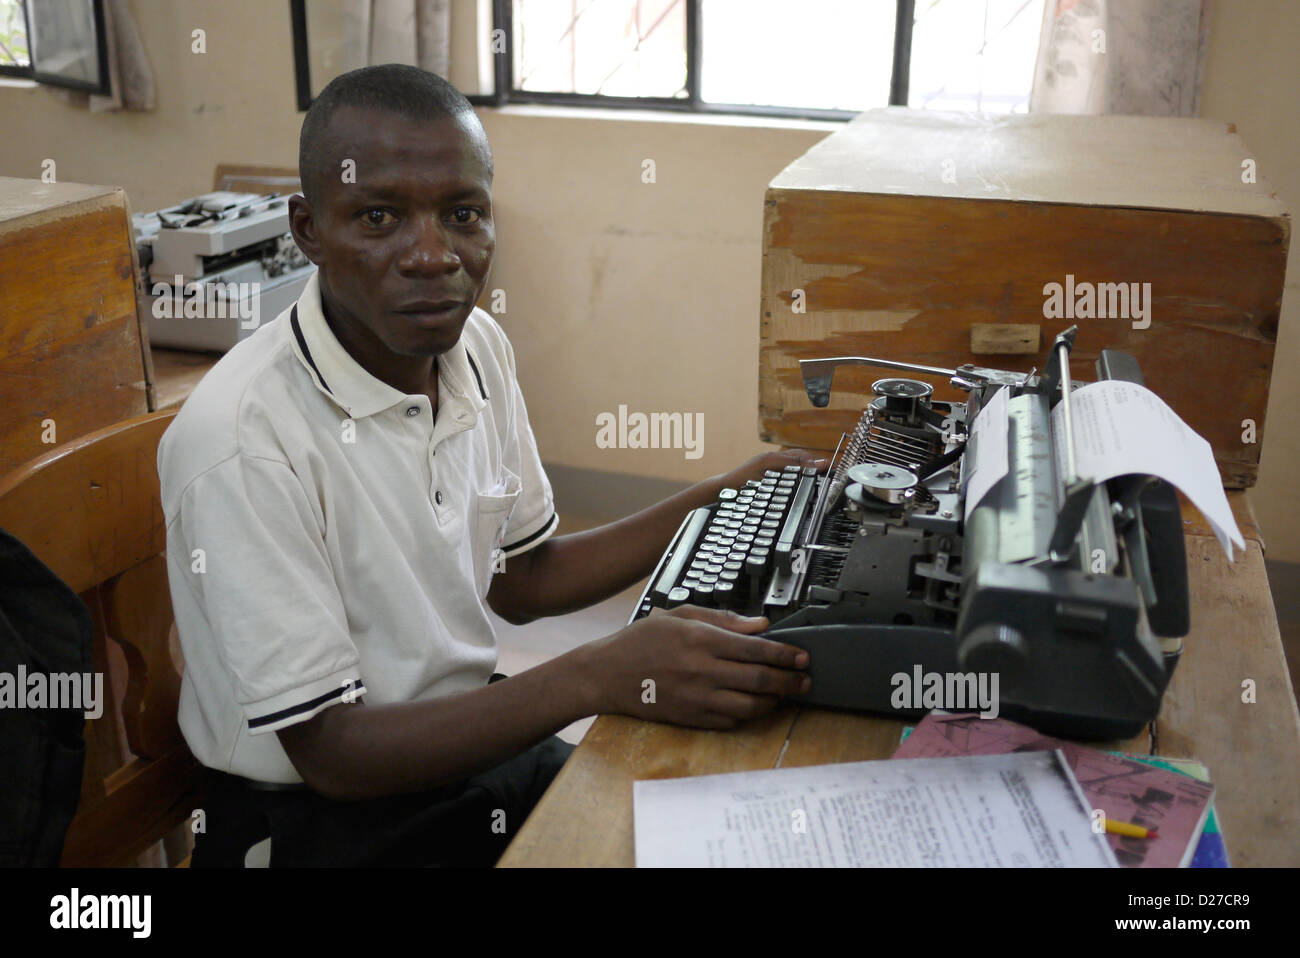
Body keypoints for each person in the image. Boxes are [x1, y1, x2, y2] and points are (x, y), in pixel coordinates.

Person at [158, 64, 821, 867]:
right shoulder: (242, 440)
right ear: (307, 229)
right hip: (318, 817)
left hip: (465, 744)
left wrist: (714, 500)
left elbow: (524, 578)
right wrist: (597, 674)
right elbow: (333, 753)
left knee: (700, 828)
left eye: (463, 214)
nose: (433, 256)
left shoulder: (474, 349)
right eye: (379, 217)